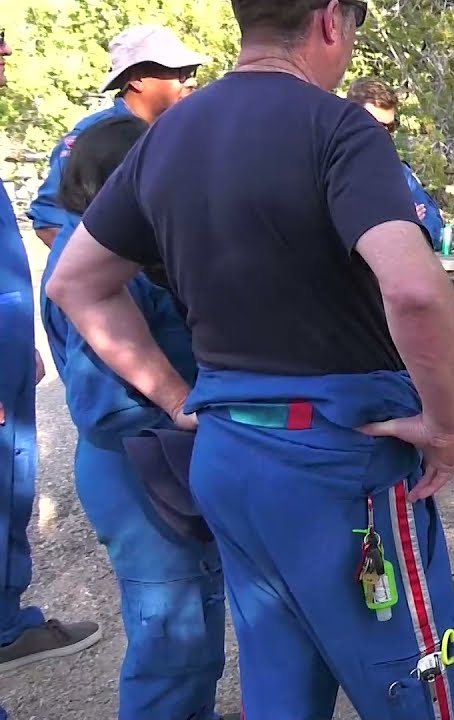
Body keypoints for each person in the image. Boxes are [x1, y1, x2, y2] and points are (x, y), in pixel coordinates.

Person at [43, 2, 454, 718]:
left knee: (280, 677)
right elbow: (414, 290)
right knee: (416, 681)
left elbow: (75, 282)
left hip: (230, 456)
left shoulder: (166, 136)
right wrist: (445, 425)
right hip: (338, 463)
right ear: (331, 20)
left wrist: (178, 397)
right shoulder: (338, 127)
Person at [39, 115, 233, 720]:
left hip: (166, 459)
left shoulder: (127, 253)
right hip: (136, 465)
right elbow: (104, 407)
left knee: (198, 613)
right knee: (170, 633)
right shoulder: (91, 265)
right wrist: (190, 411)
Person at [0, 25, 102, 686]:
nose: (7, 52)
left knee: (13, 486)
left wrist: (17, 349)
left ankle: (8, 622)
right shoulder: (102, 139)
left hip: (9, 356)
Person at [26, 24, 208, 249]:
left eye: (191, 72)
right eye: (180, 74)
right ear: (137, 78)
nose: (191, 82)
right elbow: (48, 220)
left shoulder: (183, 132)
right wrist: (101, 265)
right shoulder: (93, 138)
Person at [345, 76, 448, 249]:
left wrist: (410, 226)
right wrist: (401, 222)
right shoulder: (329, 169)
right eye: (375, 125)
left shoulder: (400, 173)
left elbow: (434, 229)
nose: (384, 133)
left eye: (390, 127)